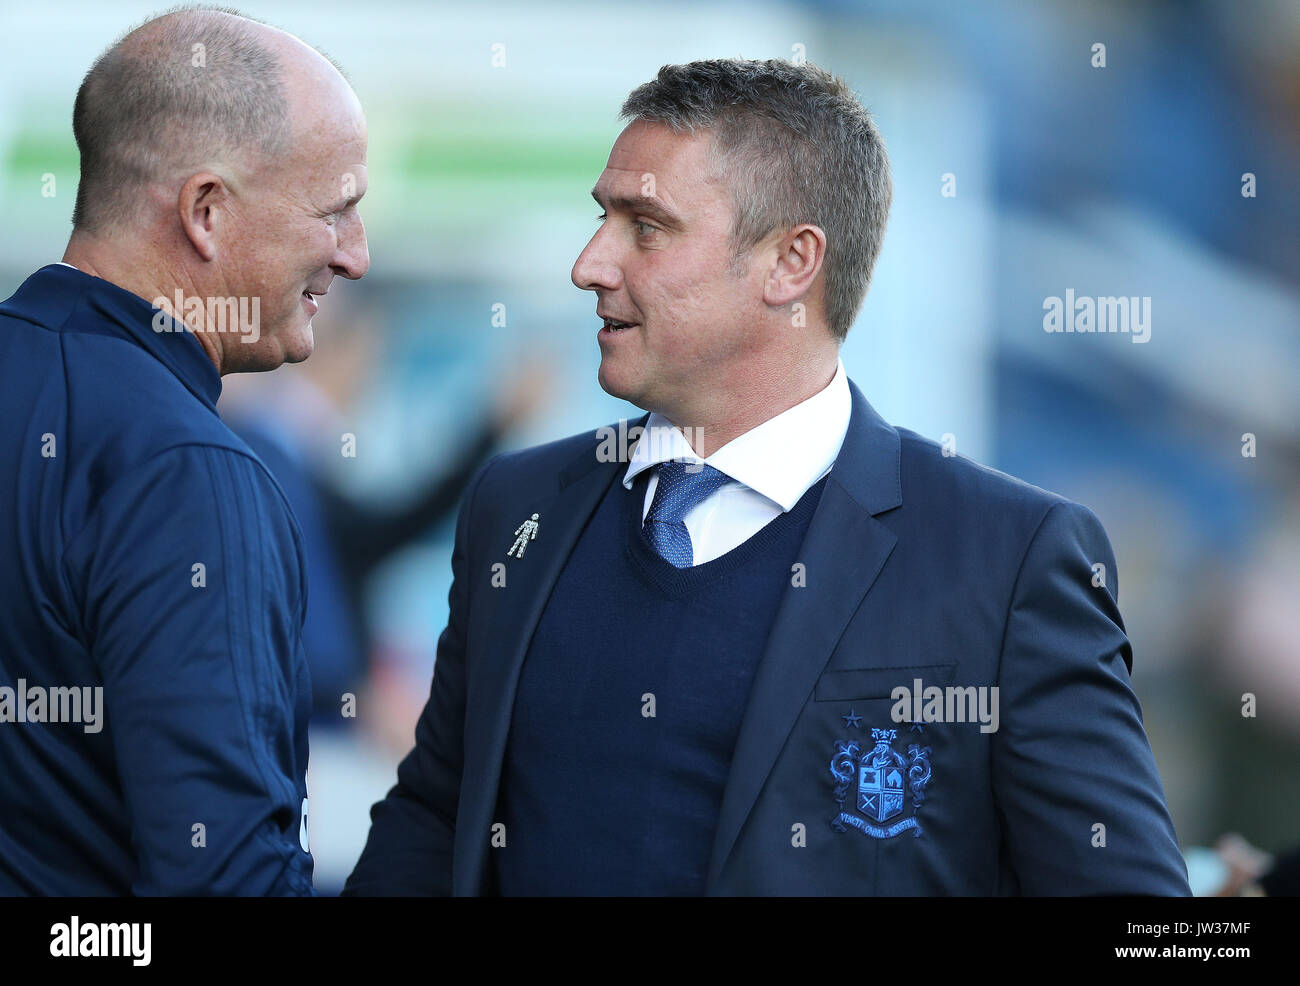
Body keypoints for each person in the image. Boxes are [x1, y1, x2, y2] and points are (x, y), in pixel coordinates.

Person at [344, 58, 1188, 895]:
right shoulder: (518, 509)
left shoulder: (1008, 559)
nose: (590, 264)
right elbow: (432, 824)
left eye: (645, 226)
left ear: (791, 264)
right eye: (602, 217)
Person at [0, 6, 369, 894]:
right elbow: (226, 876)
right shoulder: (187, 471)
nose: (355, 256)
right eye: (337, 212)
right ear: (206, 212)